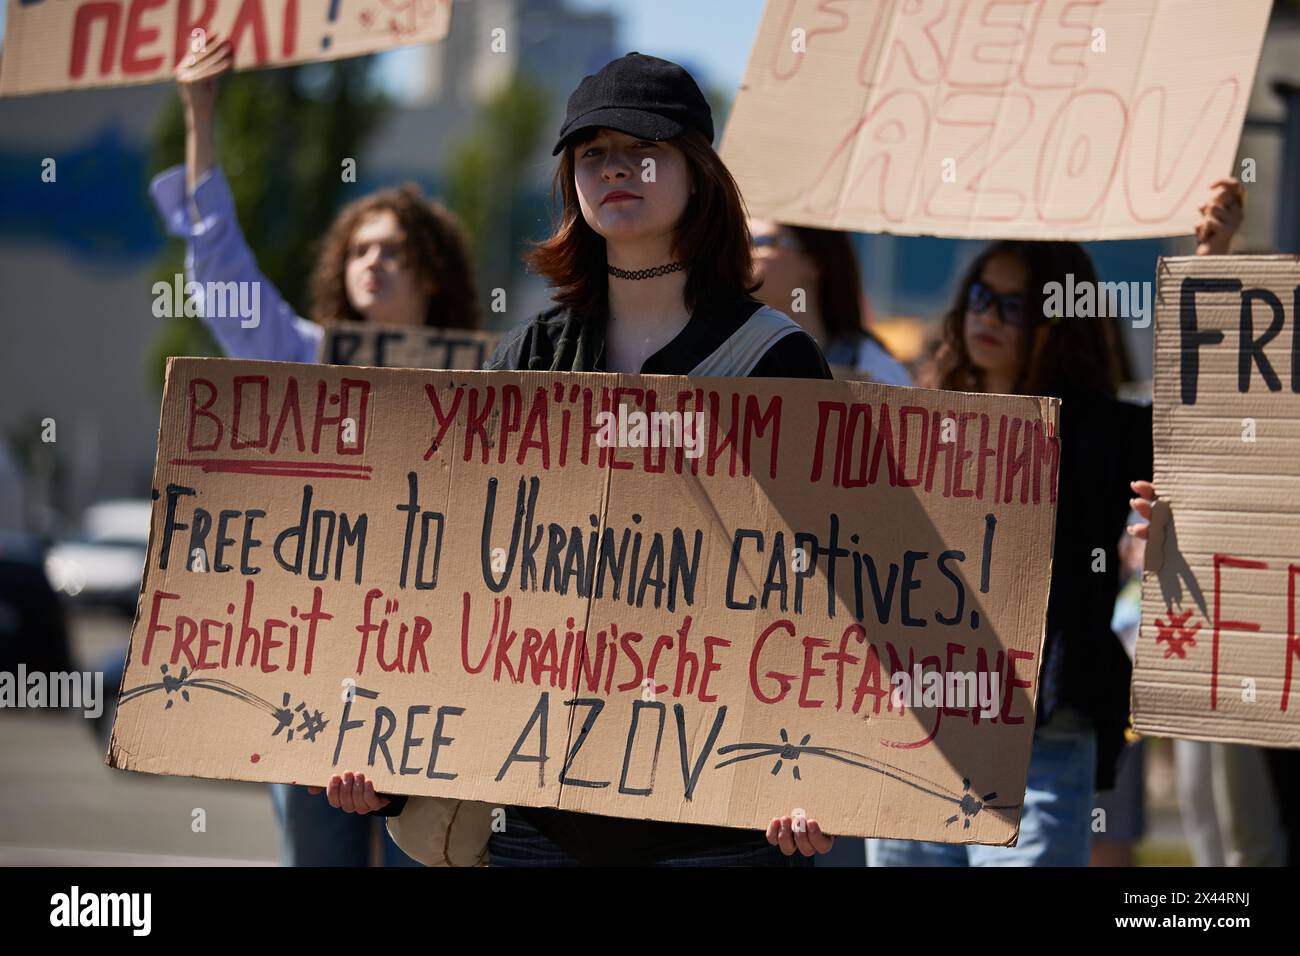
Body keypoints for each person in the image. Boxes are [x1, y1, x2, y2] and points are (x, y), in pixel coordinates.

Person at [310, 52, 838, 866]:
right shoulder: (529, 356)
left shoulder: (778, 361)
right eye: (592, 153)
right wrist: (390, 753)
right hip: (539, 817)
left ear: (698, 173)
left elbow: (829, 585)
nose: (616, 168)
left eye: (645, 148)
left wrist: (824, 772)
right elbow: (452, 572)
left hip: (717, 817)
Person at [148, 34, 481, 867]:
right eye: (362, 247)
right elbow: (220, 271)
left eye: (395, 249)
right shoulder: (301, 357)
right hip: (311, 680)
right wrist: (200, 114)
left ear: (433, 272)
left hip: (434, 690)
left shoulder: (485, 386)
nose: (375, 261)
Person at [867, 179, 1244, 867]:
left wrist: (1210, 264)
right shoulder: (919, 424)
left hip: (1038, 737)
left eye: (1014, 305)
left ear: (1058, 321)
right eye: (981, 294)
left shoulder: (1103, 433)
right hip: (916, 726)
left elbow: (1203, 424)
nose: (989, 315)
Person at [749, 221, 911, 385]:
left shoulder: (876, 370)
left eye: (759, 242)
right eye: (738, 243)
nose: (742, 255)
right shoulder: (732, 355)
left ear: (814, 261)